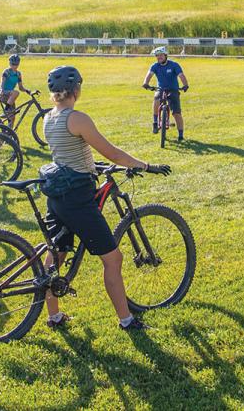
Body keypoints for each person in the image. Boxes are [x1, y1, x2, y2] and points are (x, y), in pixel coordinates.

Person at [40, 65, 171, 331]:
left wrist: (92, 165)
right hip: (78, 198)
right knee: (113, 259)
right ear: (76, 89)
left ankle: (54, 316)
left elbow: (68, 155)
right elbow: (112, 153)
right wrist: (144, 165)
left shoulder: (48, 118)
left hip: (58, 195)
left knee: (57, 254)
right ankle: (127, 320)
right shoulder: (77, 118)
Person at [141, 47, 189, 141]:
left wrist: (185, 85)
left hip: (173, 89)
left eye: (161, 55)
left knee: (176, 113)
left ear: (165, 55)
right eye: (157, 56)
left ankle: (180, 135)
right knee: (156, 98)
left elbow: (181, 75)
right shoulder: (155, 66)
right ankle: (155, 123)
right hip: (161, 89)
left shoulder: (174, 65)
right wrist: (145, 83)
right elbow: (149, 75)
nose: (159, 57)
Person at [0, 55, 32, 122]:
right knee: (16, 92)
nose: (14, 66)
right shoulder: (6, 72)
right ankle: (6, 110)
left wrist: (26, 90)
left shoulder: (18, 74)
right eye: (13, 64)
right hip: (4, 93)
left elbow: (20, 87)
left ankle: (8, 131)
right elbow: (2, 83)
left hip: (11, 97)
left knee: (12, 117)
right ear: (10, 63)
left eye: (16, 64)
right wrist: (2, 90)